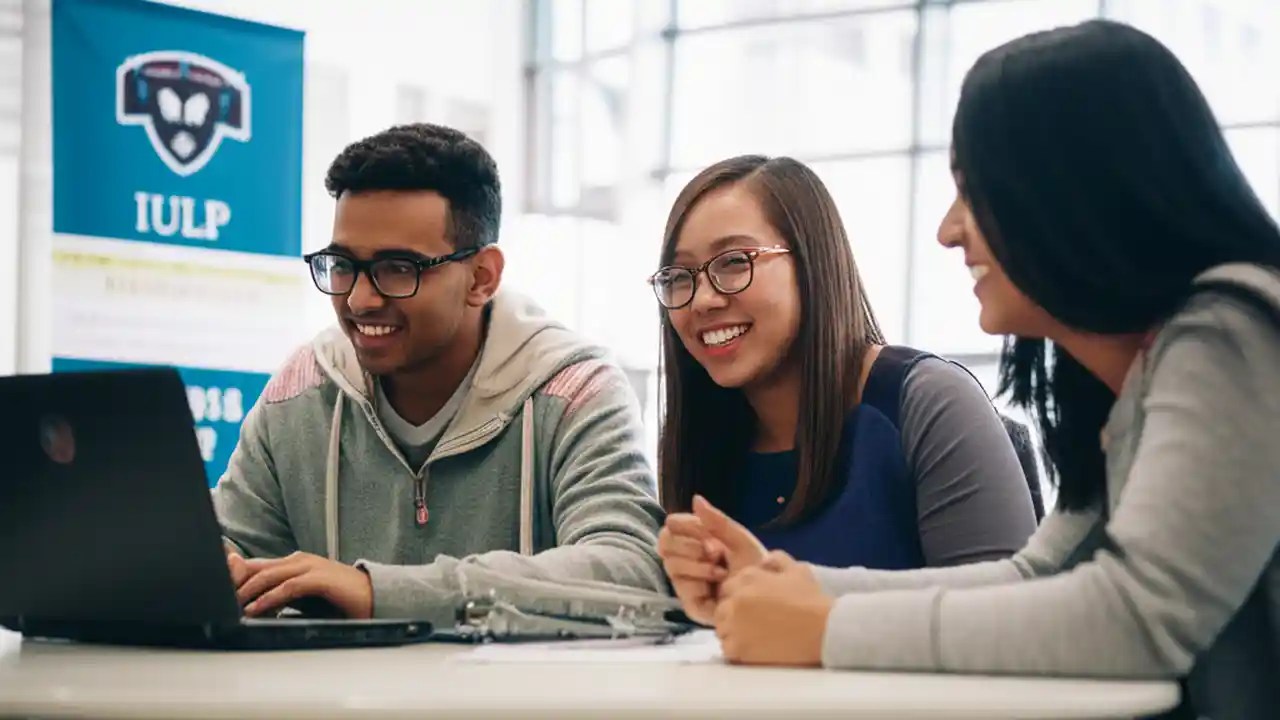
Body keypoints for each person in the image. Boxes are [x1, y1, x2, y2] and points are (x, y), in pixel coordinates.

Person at [660, 20, 1280, 720]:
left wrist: (828, 627)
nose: (949, 230)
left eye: (973, 191)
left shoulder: (1234, 328)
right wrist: (786, 587)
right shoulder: (1127, 375)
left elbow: (1139, 617)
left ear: (1068, 190)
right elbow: (1035, 574)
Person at [212, 123, 666, 627]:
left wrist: (379, 593)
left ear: (481, 278)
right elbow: (226, 547)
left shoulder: (575, 391)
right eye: (342, 264)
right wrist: (208, 570)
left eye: (398, 268)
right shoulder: (303, 389)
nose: (360, 299)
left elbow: (630, 571)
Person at [652, 154, 1039, 624]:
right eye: (679, 277)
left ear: (812, 263)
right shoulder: (699, 437)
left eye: (735, 262)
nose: (703, 300)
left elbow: (1006, 620)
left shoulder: (925, 402)